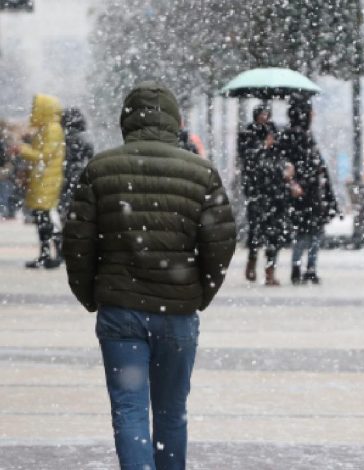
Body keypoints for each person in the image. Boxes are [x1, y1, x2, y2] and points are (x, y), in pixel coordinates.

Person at [62, 81, 237, 470]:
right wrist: (199, 291)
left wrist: (91, 293)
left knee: (129, 411)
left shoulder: (100, 170)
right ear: (175, 122)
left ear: (127, 120)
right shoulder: (201, 172)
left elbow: (77, 241)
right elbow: (221, 242)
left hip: (120, 310)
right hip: (177, 312)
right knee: (172, 411)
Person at [279, 97, 338, 285]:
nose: (313, 115)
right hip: (308, 193)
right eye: (310, 111)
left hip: (302, 193)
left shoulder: (292, 135)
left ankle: (299, 268)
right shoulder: (301, 136)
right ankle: (308, 269)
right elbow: (309, 164)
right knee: (312, 233)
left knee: (303, 232)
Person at [238, 104, 293, 285]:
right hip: (257, 190)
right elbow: (248, 159)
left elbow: (281, 156)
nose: (264, 117)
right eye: (261, 114)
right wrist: (263, 145)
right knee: (256, 230)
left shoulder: (274, 131)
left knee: (274, 233)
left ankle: (270, 271)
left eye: (266, 114)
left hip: (275, 191)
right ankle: (252, 262)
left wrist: (286, 168)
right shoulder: (247, 133)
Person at [18, 94, 65, 268]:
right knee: (42, 219)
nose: (33, 111)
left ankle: (54, 254)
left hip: (47, 181)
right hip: (42, 180)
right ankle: (48, 254)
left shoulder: (52, 129)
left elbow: (44, 155)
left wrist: (22, 150)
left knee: (44, 218)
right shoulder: (47, 128)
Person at [58, 107, 94, 223]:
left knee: (65, 203)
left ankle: (65, 227)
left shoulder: (62, 138)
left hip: (64, 173)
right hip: (81, 173)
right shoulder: (85, 137)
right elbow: (90, 155)